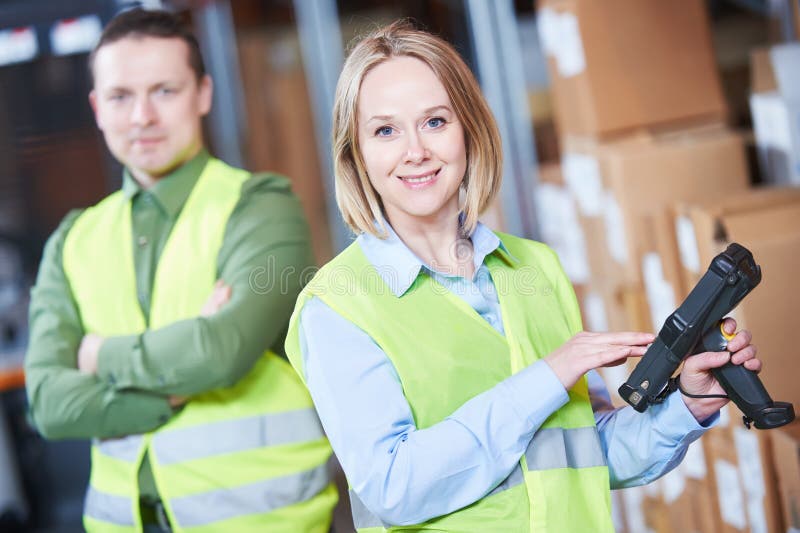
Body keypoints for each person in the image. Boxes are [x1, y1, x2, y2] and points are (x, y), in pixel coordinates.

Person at [284, 20, 762, 532]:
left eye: (435, 122)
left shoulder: (534, 268)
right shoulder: (337, 308)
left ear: (469, 128)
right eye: (385, 130)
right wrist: (550, 375)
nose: (415, 151)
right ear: (355, 153)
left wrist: (688, 405)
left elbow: (585, 452)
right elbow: (395, 487)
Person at [24, 8, 336, 532]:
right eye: (121, 96)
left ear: (203, 94)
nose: (142, 116)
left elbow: (221, 350)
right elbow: (49, 403)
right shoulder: (74, 239)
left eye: (164, 91)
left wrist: (99, 354)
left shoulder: (259, 205)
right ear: (98, 108)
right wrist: (175, 386)